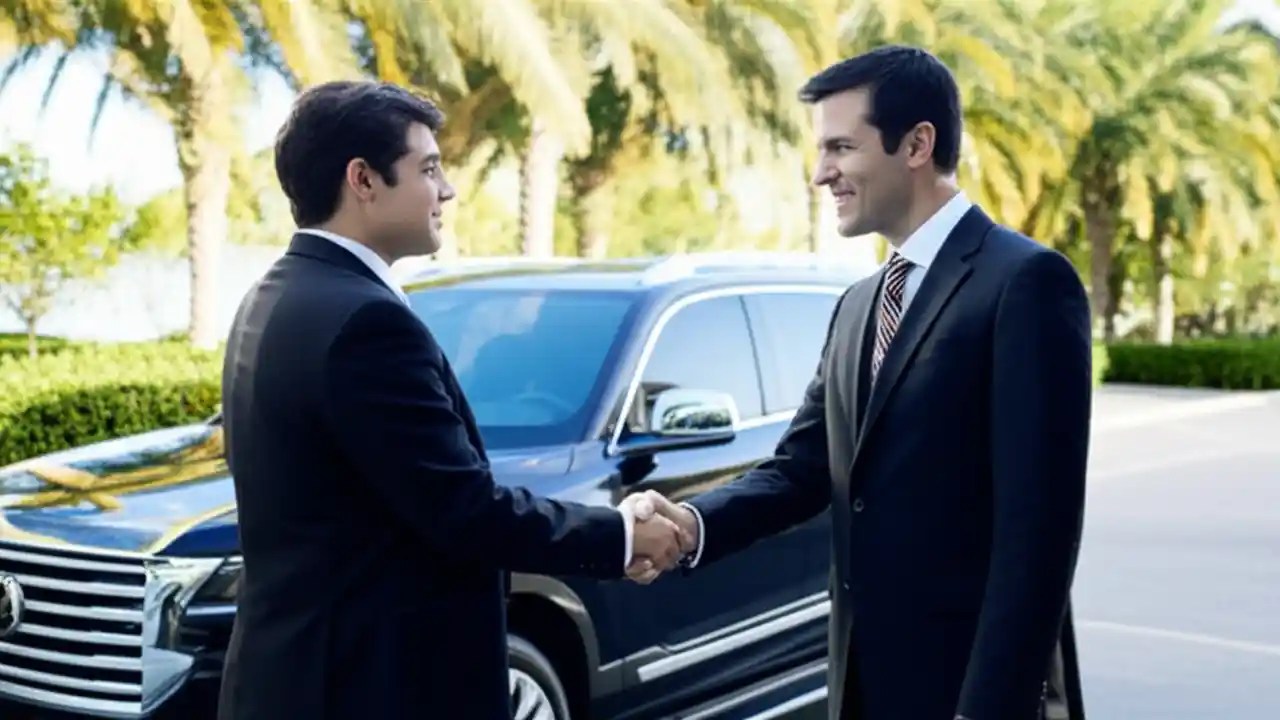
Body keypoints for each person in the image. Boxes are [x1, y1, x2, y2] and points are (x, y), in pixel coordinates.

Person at [627, 46, 1091, 720]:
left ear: (917, 144)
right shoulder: (857, 306)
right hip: (863, 688)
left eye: (841, 147)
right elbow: (800, 471)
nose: (821, 175)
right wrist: (692, 524)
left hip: (969, 693)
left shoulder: (1025, 283)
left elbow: (1039, 536)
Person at [217, 80, 687, 720]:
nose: (448, 190)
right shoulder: (364, 322)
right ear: (363, 179)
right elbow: (461, 509)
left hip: (292, 677)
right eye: (428, 168)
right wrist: (622, 536)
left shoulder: (275, 295)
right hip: (372, 688)